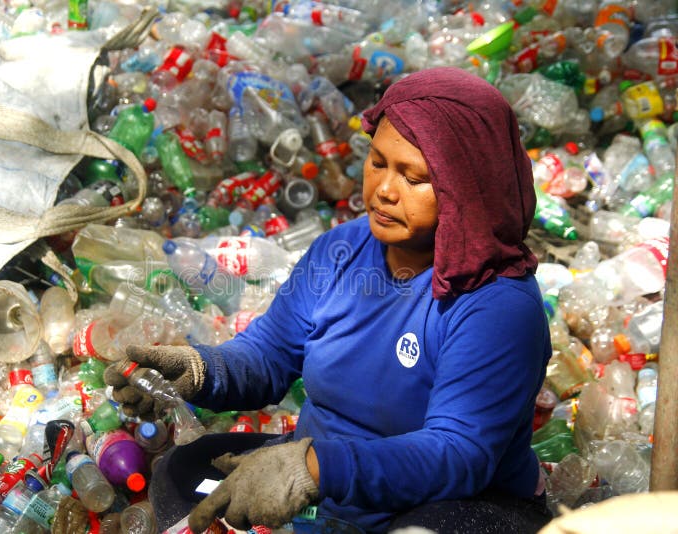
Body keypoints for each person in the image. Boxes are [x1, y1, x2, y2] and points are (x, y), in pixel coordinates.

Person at [105, 67, 553, 533]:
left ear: (467, 190)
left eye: (414, 177)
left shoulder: (497, 304)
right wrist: (198, 370)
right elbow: (269, 354)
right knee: (181, 472)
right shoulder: (342, 250)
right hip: (327, 487)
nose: (384, 190)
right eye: (378, 162)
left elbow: (457, 454)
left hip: (445, 503)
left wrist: (316, 468)